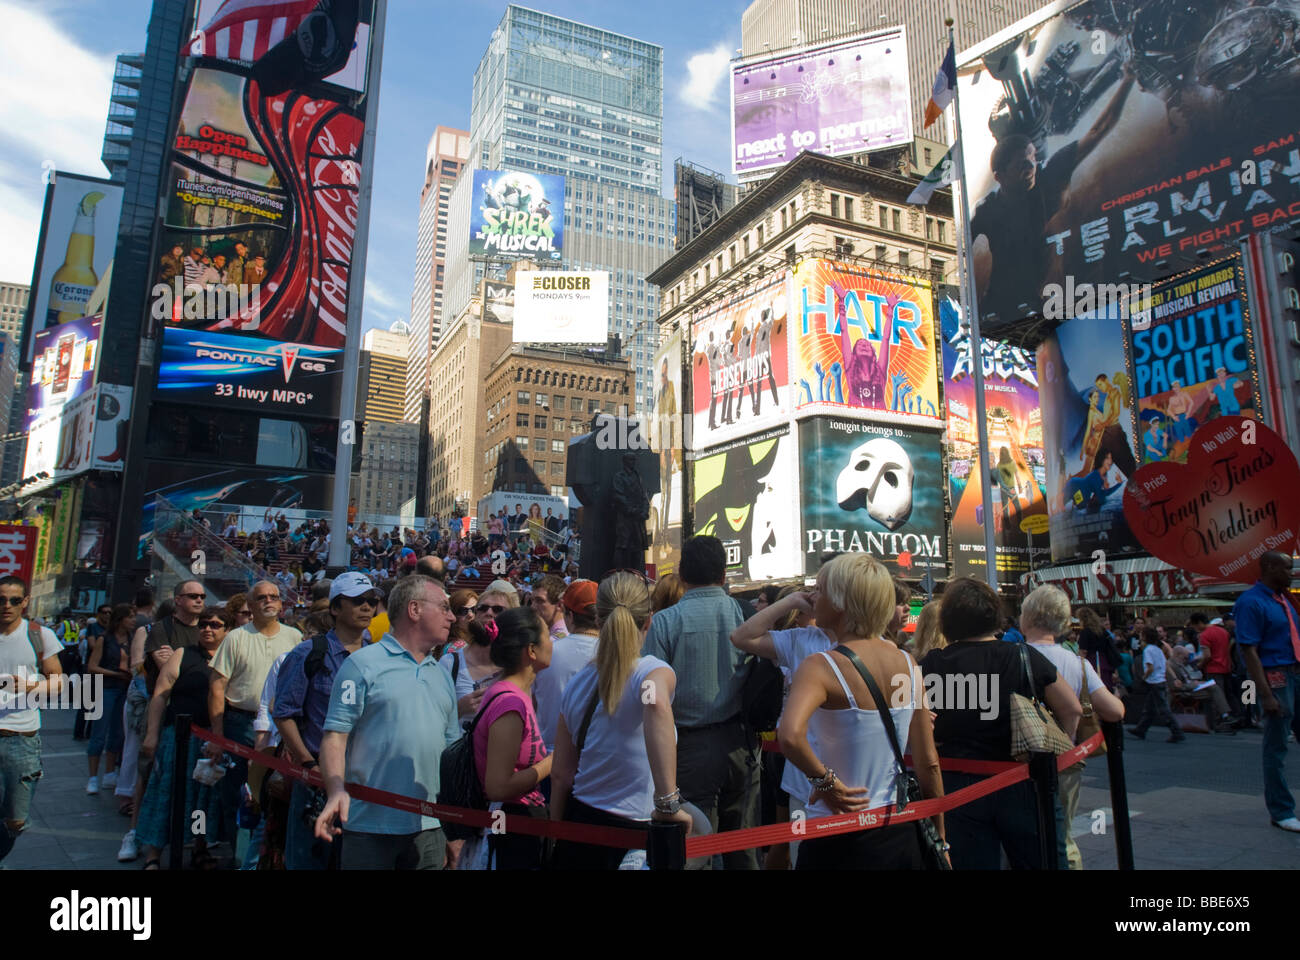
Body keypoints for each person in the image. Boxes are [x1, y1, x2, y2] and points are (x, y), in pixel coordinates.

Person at [777, 554, 946, 869]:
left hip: (835, 831)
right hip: (897, 827)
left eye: (822, 589)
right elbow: (929, 764)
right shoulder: (908, 665)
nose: (815, 598)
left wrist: (826, 782)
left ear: (841, 602)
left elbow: (789, 735)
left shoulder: (820, 666)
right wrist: (940, 838)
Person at [921, 577, 1081, 869]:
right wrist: (1064, 745)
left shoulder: (932, 663)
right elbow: (1071, 707)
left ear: (948, 620)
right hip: (1023, 780)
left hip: (957, 786)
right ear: (994, 615)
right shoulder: (1021, 655)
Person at [314, 575, 460, 870]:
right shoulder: (360, 665)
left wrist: (453, 828)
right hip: (368, 827)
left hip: (429, 829)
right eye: (444, 607)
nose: (452, 616)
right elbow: (334, 737)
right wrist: (335, 790)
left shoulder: (442, 673)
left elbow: (451, 752)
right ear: (414, 609)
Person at [552, 572, 689, 869]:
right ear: (649, 621)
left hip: (580, 827)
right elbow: (654, 703)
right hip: (636, 835)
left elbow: (561, 774)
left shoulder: (577, 684)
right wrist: (668, 802)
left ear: (599, 621)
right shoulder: (652, 671)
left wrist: (554, 832)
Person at [642, 534, 758, 869]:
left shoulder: (665, 621)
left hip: (688, 748)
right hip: (743, 744)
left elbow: (651, 695)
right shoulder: (745, 613)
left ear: (681, 574)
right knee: (745, 844)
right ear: (724, 574)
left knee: (695, 849)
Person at [273, 572, 378, 870]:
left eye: (372, 601)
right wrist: (309, 765)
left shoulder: (378, 655)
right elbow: (283, 713)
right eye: (357, 601)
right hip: (317, 776)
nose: (367, 607)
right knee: (309, 858)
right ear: (335, 608)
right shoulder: (309, 652)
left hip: (363, 776)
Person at [1019, 585, 1125, 870]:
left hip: (1017, 761)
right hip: (1066, 760)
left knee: (1020, 835)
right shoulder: (1077, 662)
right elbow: (1115, 711)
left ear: (1026, 618)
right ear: (1063, 622)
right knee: (1063, 834)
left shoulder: (1012, 656)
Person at [731, 578, 832, 871]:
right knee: (799, 853)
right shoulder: (801, 640)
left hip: (854, 785)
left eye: (821, 590)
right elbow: (740, 637)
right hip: (800, 775)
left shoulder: (878, 648)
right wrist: (787, 602)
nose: (813, 595)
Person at [203, 581, 303, 864]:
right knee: (241, 795)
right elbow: (217, 686)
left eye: (274, 597)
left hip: (280, 727)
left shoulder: (295, 637)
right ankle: (240, 859)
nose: (268, 602)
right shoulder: (236, 637)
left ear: (282, 604)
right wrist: (218, 734)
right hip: (240, 724)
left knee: (275, 795)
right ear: (251, 603)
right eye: (261, 597)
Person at [136, 605, 232, 869]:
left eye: (215, 624)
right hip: (177, 737)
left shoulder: (230, 657)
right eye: (203, 624)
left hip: (212, 740)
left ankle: (198, 848)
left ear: (228, 630)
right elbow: (160, 695)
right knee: (165, 794)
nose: (207, 629)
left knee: (202, 798)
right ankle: (153, 854)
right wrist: (152, 734)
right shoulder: (182, 654)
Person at [472, 607, 553, 869]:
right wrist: (551, 762)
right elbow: (498, 786)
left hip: (519, 821)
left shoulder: (515, 695)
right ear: (531, 651)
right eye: (547, 636)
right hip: (512, 826)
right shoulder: (510, 704)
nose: (553, 642)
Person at [1233, 551, 1300, 831]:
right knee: (1276, 747)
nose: (1291, 573)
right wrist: (1266, 695)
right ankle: (1281, 810)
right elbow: (1248, 650)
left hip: (1295, 672)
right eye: (1287, 568)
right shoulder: (1250, 601)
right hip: (1277, 676)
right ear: (1270, 567)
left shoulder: (1285, 599)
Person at [0, 575, 63, 864]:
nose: (7, 606)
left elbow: (58, 681)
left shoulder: (39, 634)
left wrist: (30, 686)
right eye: (1, 599)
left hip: (22, 741)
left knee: (15, 820)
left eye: (14, 600)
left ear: (25, 602)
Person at [534, 580, 599, 754]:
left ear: (568, 614)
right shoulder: (618, 655)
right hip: (598, 758)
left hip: (549, 754)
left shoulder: (545, 653)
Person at [85, 604, 135, 796]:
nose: (133, 620)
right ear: (121, 619)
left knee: (117, 733)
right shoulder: (104, 639)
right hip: (105, 688)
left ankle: (109, 773)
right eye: (130, 617)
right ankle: (92, 777)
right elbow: (92, 666)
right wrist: (114, 673)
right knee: (99, 732)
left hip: (124, 689)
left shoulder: (132, 640)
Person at [1130, 627, 1184, 743]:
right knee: (1150, 708)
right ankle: (1141, 729)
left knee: (1162, 709)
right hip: (1160, 681)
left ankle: (1176, 732)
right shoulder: (1158, 649)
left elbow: (1150, 667)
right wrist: (1174, 678)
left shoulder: (1148, 650)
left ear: (1144, 637)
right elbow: (1166, 665)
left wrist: (1143, 678)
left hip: (1153, 682)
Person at [527, 575, 568, 642]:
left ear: (560, 605)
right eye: (532, 600)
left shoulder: (554, 642)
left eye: (539, 601)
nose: (532, 606)